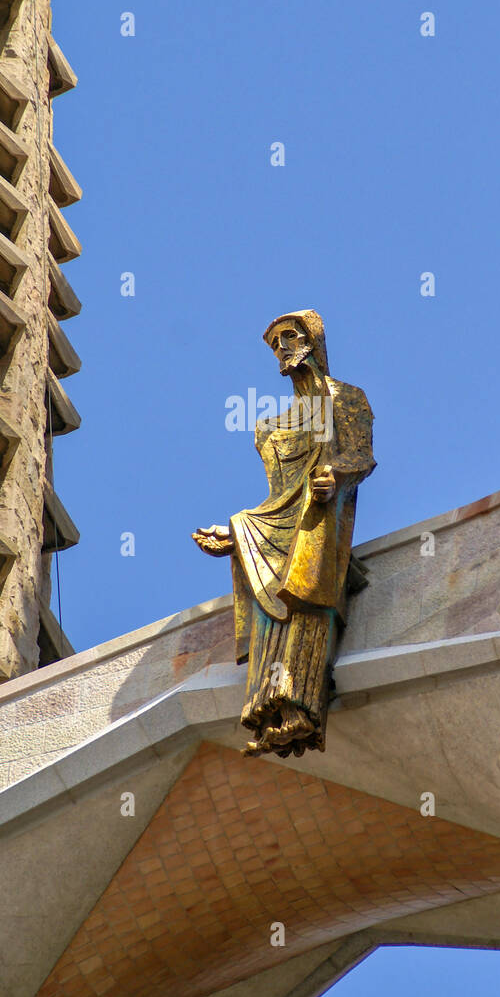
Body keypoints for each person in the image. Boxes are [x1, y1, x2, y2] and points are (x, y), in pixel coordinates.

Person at [192, 310, 375, 758]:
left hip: (319, 519)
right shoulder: (269, 428)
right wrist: (238, 532)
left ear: (312, 342)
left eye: (289, 337)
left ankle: (301, 707)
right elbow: (278, 497)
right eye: (274, 342)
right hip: (279, 526)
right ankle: (266, 707)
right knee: (270, 612)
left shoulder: (345, 398)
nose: (282, 347)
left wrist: (336, 477)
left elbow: (360, 456)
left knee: (307, 595)